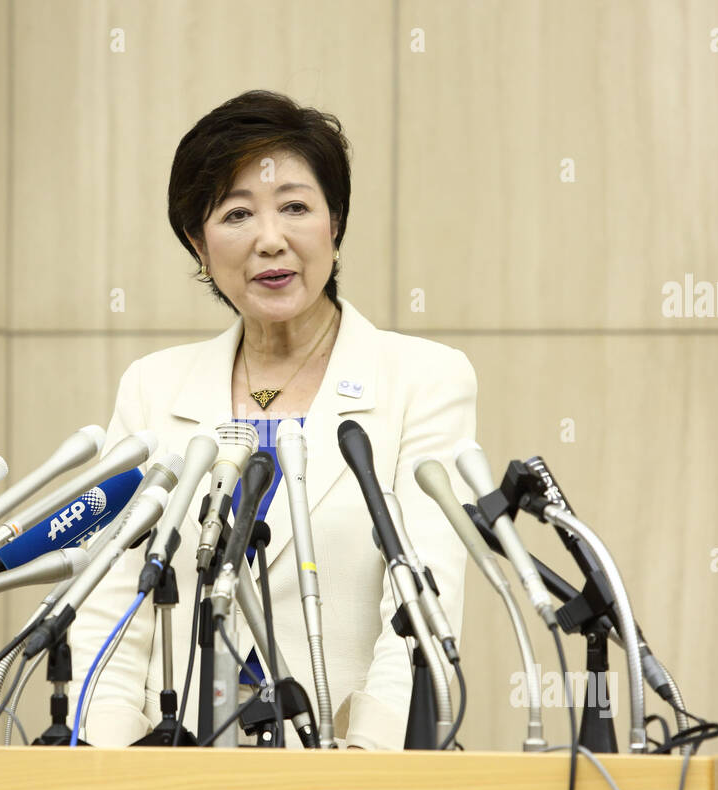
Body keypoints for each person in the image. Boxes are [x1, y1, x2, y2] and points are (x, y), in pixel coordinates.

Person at [64, 90, 478, 750]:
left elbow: (424, 605)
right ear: (199, 245)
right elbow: (113, 608)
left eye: (294, 207)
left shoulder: (423, 380)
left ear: (334, 223)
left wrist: (361, 772)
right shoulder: (152, 388)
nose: (270, 240)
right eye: (236, 215)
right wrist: (106, 774)